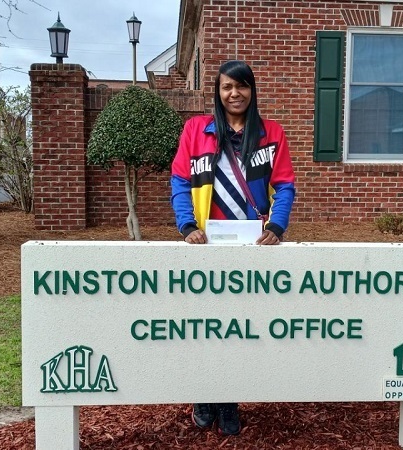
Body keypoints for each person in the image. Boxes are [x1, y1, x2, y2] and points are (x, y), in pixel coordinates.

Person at [170, 60, 296, 435]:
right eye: (227, 87)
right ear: (218, 92)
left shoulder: (271, 133)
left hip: (250, 244)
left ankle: (228, 401)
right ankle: (204, 395)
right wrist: (187, 226)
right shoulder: (196, 130)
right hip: (207, 242)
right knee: (205, 323)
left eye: (241, 86)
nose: (234, 94)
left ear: (251, 91)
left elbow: (285, 185)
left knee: (238, 325)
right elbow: (179, 181)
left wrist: (276, 226)